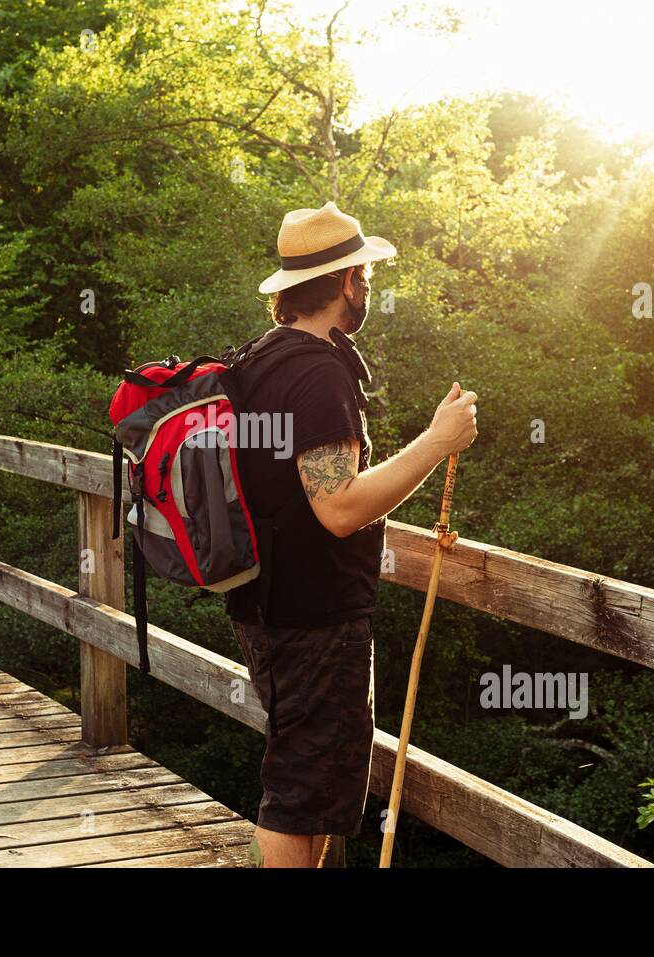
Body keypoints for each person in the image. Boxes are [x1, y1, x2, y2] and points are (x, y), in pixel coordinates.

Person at [226, 200, 479, 868]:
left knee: (301, 783)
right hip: (312, 618)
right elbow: (337, 507)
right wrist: (437, 439)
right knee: (297, 790)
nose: (370, 284)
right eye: (365, 272)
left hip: (263, 603)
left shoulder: (261, 359)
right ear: (346, 281)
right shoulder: (319, 374)